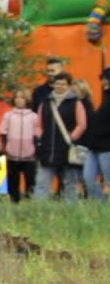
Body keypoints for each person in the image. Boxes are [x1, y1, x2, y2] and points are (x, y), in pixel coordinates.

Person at [35, 72, 87, 201]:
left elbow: (81, 124)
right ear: (53, 85)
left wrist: (71, 137)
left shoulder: (76, 103)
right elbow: (38, 124)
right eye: (57, 83)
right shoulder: (45, 103)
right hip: (48, 149)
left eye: (63, 84)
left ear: (68, 85)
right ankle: (38, 210)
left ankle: (70, 211)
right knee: (42, 183)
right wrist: (41, 137)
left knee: (70, 183)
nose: (60, 86)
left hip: (67, 149)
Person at [0, 88, 39, 203]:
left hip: (29, 155)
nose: (19, 100)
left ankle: (29, 202)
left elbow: (37, 135)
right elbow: (3, 133)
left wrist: (36, 150)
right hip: (12, 154)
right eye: (17, 97)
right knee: (13, 181)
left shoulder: (34, 116)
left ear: (27, 100)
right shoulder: (8, 116)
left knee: (31, 181)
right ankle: (14, 202)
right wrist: (5, 149)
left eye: (22, 98)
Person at [79, 69, 110, 201]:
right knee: (88, 177)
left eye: (106, 78)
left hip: (107, 146)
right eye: (102, 79)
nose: (103, 82)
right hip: (94, 146)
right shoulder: (106, 97)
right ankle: (99, 203)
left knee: (108, 180)